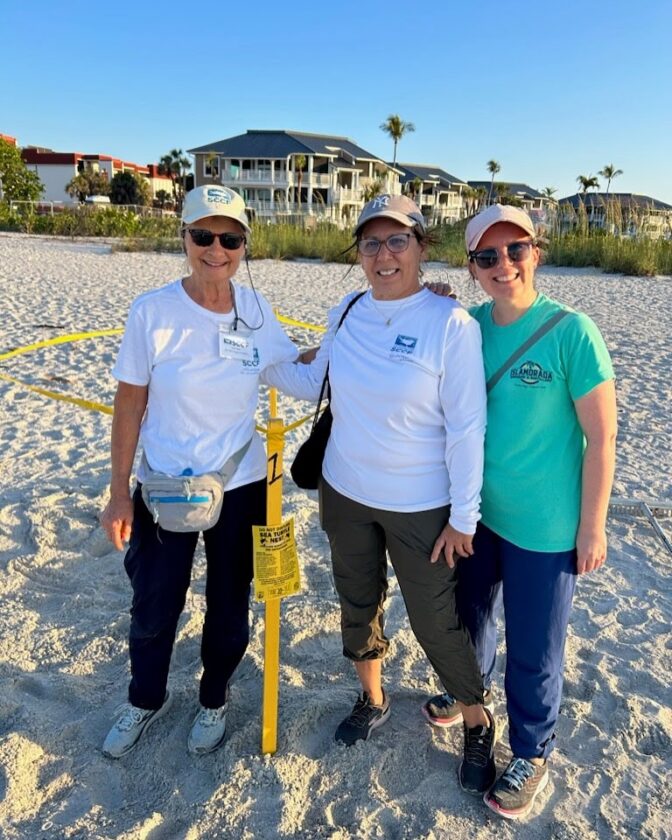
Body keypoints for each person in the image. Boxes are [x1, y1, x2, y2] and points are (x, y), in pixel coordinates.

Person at [265, 195, 498, 795]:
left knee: (435, 620)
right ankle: (372, 697)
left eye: (397, 241)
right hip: (345, 492)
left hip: (421, 503)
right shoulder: (346, 308)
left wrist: (464, 518)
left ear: (422, 247)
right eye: (370, 243)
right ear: (358, 254)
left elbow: (468, 428)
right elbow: (315, 379)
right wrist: (252, 363)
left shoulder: (451, 323)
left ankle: (476, 719)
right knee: (356, 602)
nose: (384, 255)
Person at [421, 205, 617, 819]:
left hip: (547, 527)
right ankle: (466, 693)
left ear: (536, 253)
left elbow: (602, 438)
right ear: (472, 266)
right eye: (486, 256)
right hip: (480, 514)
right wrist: (431, 298)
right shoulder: (468, 325)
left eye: (516, 250)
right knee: (469, 617)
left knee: (535, 647)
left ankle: (531, 749)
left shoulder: (572, 331)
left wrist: (592, 526)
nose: (503, 264)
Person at [100, 185, 299, 758]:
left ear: (244, 245)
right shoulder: (153, 310)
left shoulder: (256, 313)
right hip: (163, 484)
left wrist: (369, 326)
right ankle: (144, 699)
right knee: (156, 603)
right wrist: (119, 494)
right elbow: (130, 403)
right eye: (204, 236)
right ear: (183, 238)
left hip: (238, 487)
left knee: (230, 605)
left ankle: (214, 699)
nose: (217, 249)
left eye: (230, 238)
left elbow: (297, 368)